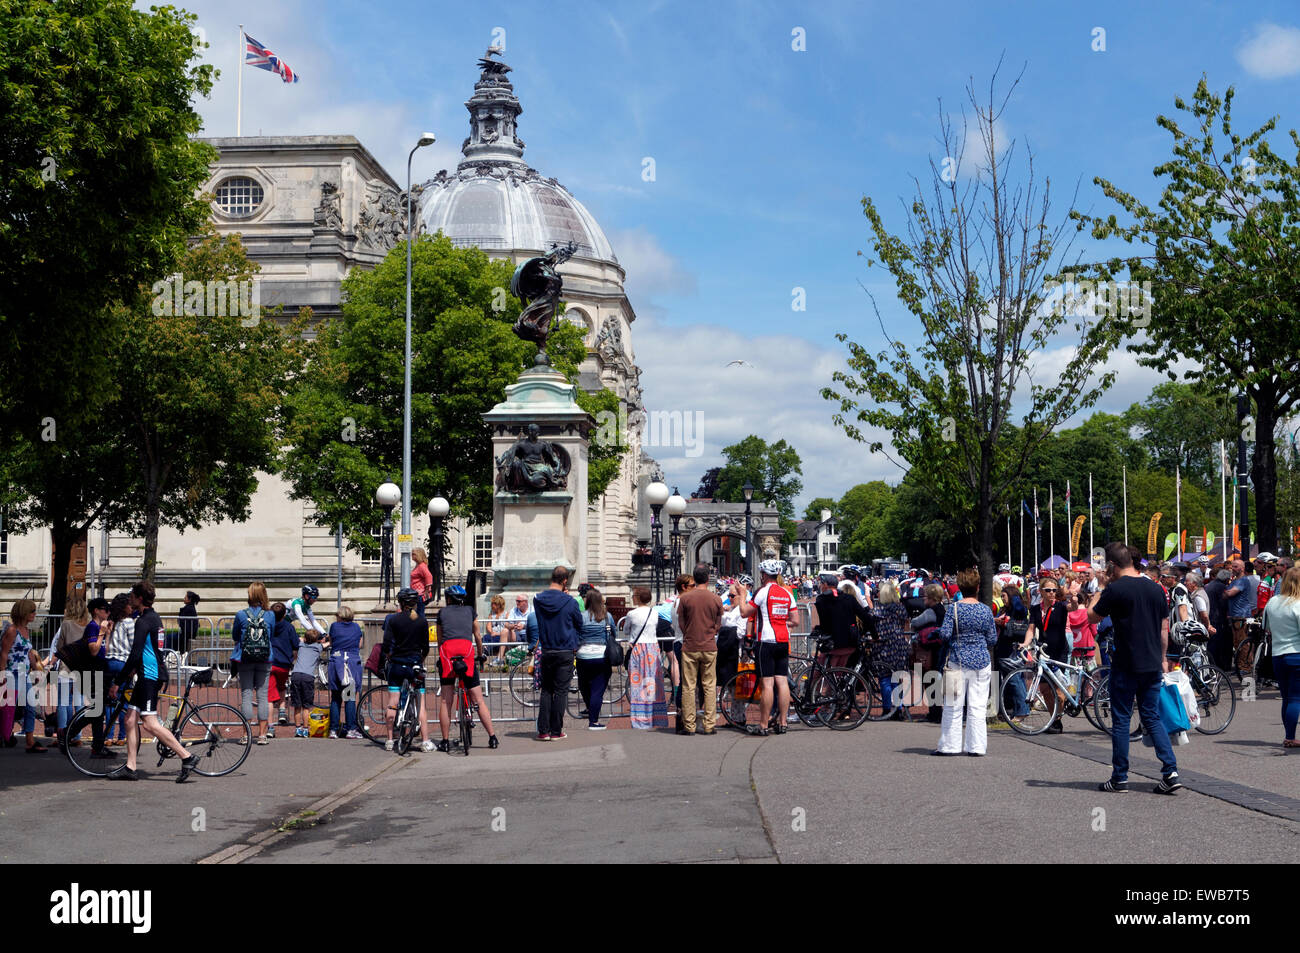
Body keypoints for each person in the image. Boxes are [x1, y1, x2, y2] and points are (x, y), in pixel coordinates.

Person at [1088, 543, 1182, 794]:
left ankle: (1120, 777)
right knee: (1151, 717)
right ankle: (1171, 772)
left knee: (1121, 720)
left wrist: (1102, 587)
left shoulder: (1115, 589)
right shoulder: (1156, 588)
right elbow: (1164, 628)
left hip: (1126, 662)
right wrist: (1163, 659)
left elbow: (1091, 617)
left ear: (1112, 565)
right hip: (1152, 661)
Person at [108, 582, 201, 782]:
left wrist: (117, 681)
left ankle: (187, 756)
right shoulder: (153, 617)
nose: (130, 598)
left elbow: (135, 654)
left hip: (149, 676)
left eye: (132, 595)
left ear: (140, 598)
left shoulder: (143, 622)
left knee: (149, 724)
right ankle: (131, 767)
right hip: (147, 674)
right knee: (130, 720)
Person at [932, 567, 998, 756]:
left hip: (957, 661)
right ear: (978, 587)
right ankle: (976, 747)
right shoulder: (985, 610)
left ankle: (949, 746)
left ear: (960, 587)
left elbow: (944, 634)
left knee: (953, 706)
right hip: (980, 661)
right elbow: (992, 639)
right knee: (977, 707)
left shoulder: (954, 609)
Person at [433, 585, 498, 751]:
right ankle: (492, 737)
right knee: (478, 700)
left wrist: (441, 658)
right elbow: (477, 635)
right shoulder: (470, 611)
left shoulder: (442, 613)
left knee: (446, 700)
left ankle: (446, 741)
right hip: (466, 652)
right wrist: (481, 653)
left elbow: (440, 639)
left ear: (448, 599)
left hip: (448, 653)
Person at [737, 559, 795, 736]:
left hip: (766, 641)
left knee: (768, 684)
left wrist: (741, 594)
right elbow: (796, 620)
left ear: (763, 575)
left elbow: (744, 612)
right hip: (783, 640)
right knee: (782, 681)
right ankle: (783, 722)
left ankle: (763, 724)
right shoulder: (787, 593)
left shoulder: (763, 592)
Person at [532, 566, 584, 741]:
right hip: (565, 649)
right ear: (564, 581)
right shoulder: (570, 602)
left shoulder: (538, 600)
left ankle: (543, 731)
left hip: (547, 649)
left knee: (546, 690)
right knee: (561, 691)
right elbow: (579, 623)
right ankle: (556, 731)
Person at [380, 588, 433, 751]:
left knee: (392, 703)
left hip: (397, 664)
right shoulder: (422, 621)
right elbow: (425, 647)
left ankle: (389, 740)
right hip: (415, 664)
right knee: (420, 704)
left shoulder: (393, 620)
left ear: (401, 603)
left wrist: (389, 656)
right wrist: (421, 659)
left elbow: (387, 644)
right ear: (415, 603)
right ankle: (425, 741)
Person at [676, 563, 724, 736]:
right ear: (708, 578)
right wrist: (711, 632)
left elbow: (681, 622)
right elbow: (718, 624)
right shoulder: (716, 599)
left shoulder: (685, 599)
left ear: (694, 578)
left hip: (690, 645)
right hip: (709, 646)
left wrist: (689, 633)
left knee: (689, 686)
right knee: (709, 686)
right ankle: (709, 724)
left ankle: (689, 725)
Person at [2, 599, 47, 752]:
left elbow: (29, 653)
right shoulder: (12, 630)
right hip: (11, 674)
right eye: (32, 611)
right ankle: (5, 736)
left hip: (24, 675)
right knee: (8, 708)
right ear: (24, 613)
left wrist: (36, 671)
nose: (35, 614)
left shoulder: (26, 631)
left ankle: (30, 740)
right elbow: (3, 654)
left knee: (30, 707)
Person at [1262, 567, 1300, 748]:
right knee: (1295, 698)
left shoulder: (1273, 602)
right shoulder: (1297, 603)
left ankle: (1289, 735)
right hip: (1296, 654)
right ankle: (1291, 737)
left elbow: (1266, 627)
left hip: (1278, 654)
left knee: (1287, 698)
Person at [232, 581, 274, 745]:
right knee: (263, 696)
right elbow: (272, 635)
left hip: (245, 658)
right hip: (265, 658)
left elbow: (236, 635)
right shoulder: (269, 615)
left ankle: (245, 734)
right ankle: (262, 735)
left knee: (246, 695)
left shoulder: (241, 614)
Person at [1028, 576, 1070, 732]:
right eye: (1048, 590)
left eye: (1054, 590)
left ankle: (1058, 719)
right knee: (1045, 689)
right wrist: (1025, 643)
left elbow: (1071, 607)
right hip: (1043, 651)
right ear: (1041, 592)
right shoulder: (1035, 609)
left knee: (1059, 690)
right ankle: (1054, 719)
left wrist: (1073, 601)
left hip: (1059, 651)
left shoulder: (1061, 607)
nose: (1052, 593)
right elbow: (1031, 629)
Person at [51, 591, 90, 745]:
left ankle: (63, 733)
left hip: (66, 666)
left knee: (63, 701)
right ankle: (77, 735)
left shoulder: (66, 625)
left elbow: (60, 647)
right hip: (83, 667)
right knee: (79, 701)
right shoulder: (89, 626)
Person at [624, 587, 665, 729]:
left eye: (634, 595)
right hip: (653, 649)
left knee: (638, 683)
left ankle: (641, 719)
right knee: (653, 683)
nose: (632, 597)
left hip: (639, 649)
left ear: (638, 597)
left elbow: (626, 630)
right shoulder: (654, 613)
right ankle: (655, 717)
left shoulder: (631, 614)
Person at [869, 581, 911, 719]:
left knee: (884, 678)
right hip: (898, 644)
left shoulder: (877, 609)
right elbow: (906, 624)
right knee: (896, 678)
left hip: (882, 645)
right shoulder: (900, 608)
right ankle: (898, 709)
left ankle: (887, 709)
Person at [576, 589, 616, 730]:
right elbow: (613, 633)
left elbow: (576, 633)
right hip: (601, 655)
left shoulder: (581, 616)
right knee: (597, 690)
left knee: (585, 687)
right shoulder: (607, 616)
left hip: (583, 655)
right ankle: (593, 720)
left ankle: (590, 708)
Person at [327, 605, 365, 739]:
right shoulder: (356, 627)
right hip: (351, 664)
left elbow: (331, 642)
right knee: (349, 698)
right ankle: (351, 729)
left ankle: (333, 730)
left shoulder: (334, 627)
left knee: (336, 698)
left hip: (336, 663)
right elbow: (360, 645)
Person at [1224, 558, 1259, 679]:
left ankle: (1246, 667)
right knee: (1237, 642)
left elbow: (1230, 593)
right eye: (1232, 566)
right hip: (1235, 615)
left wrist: (1220, 588)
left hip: (1242, 616)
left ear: (1242, 569)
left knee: (1243, 643)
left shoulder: (1243, 581)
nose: (1232, 569)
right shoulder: (1234, 580)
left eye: (1235, 567)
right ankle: (1240, 666)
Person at [290, 628, 327, 738]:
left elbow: (300, 639)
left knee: (297, 705)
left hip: (296, 674)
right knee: (306, 706)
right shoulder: (318, 647)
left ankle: (297, 729)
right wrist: (323, 640)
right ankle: (305, 729)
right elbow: (328, 643)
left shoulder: (301, 644)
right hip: (308, 676)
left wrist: (304, 639)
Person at [268, 601, 297, 733]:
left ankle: (270, 727)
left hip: (270, 661)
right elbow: (295, 644)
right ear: (285, 613)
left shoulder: (268, 626)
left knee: (269, 696)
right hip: (284, 663)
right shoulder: (289, 627)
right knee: (282, 686)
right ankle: (281, 710)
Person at [484, 594, 509, 666]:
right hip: (493, 634)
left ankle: (486, 652)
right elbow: (488, 625)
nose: (491, 605)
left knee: (496, 639)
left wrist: (497, 634)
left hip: (500, 635)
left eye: (493, 604)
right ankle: (485, 651)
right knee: (485, 637)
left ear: (498, 605)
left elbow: (507, 628)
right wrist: (491, 632)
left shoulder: (506, 614)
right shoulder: (492, 614)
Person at [410, 548, 434, 617]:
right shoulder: (418, 565)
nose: (412, 556)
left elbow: (429, 576)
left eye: (414, 554)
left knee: (419, 614)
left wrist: (426, 591)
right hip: (416, 593)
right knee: (416, 613)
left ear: (418, 555)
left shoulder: (422, 566)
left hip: (420, 594)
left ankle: (421, 626)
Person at [177, 590, 200, 656]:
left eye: (185, 597)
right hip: (186, 635)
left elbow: (184, 625)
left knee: (168, 638)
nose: (184, 598)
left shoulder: (188, 609)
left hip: (186, 636)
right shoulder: (190, 608)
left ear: (189, 599)